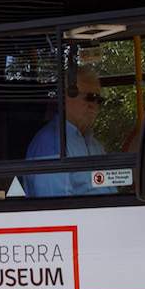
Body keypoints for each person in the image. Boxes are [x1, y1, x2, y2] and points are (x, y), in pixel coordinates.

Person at [18, 65, 113, 198]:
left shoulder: (96, 146)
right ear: (65, 97)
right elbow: (58, 207)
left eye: (99, 99)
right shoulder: (50, 143)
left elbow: (111, 192)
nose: (94, 105)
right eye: (90, 97)